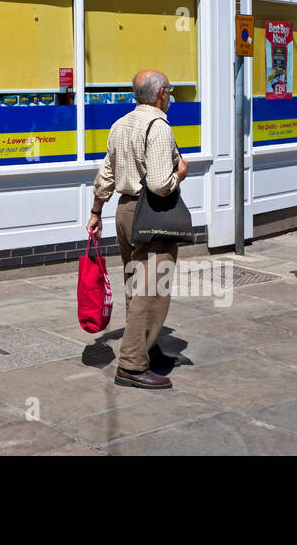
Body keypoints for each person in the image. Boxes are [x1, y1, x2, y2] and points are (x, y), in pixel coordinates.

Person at [86, 69, 189, 390]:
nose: (171, 96)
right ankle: (131, 364)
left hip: (124, 212)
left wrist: (96, 211)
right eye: (170, 91)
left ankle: (148, 347)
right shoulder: (158, 127)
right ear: (160, 94)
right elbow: (159, 184)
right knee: (153, 289)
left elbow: (106, 172)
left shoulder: (120, 124)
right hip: (151, 214)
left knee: (135, 284)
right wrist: (180, 174)